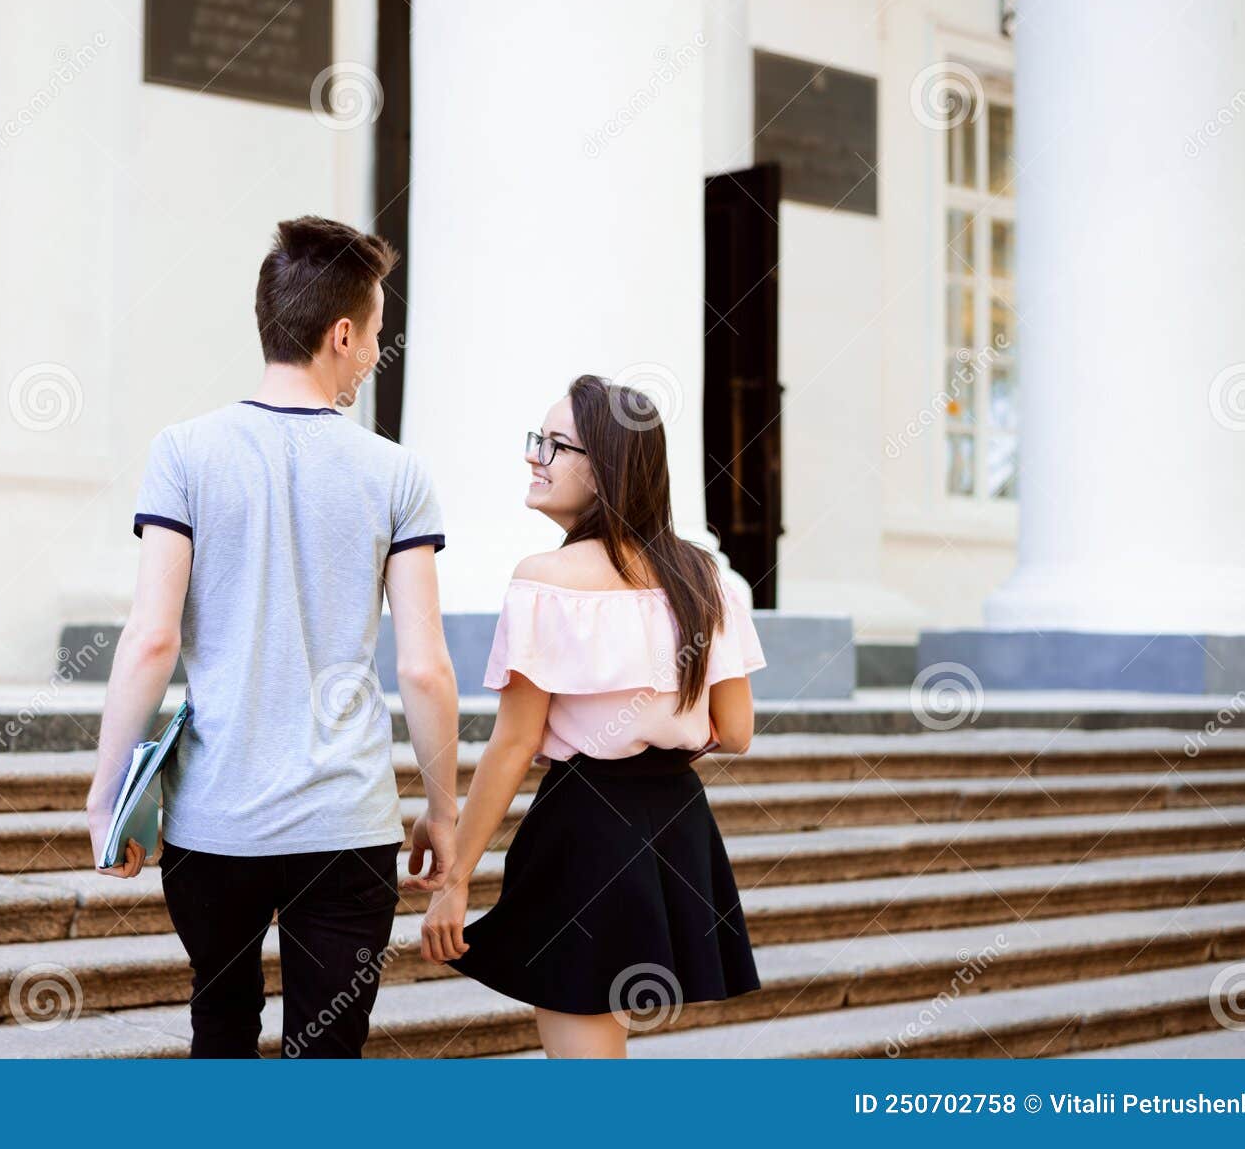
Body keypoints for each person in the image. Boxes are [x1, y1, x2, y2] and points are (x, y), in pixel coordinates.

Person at [84, 215, 461, 1059]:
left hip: (214, 822)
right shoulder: (396, 472)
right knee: (327, 1060)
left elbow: (150, 638)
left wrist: (107, 794)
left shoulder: (182, 452)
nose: (372, 354)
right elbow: (425, 668)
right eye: (372, 336)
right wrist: (444, 811)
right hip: (347, 822)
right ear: (340, 334)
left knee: (219, 1027)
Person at [420, 374, 766, 1058]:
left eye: (556, 445)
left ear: (607, 469)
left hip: (586, 829)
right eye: (538, 441)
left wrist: (455, 880)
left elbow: (512, 744)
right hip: (676, 824)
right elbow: (737, 731)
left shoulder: (546, 578)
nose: (534, 456)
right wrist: (651, 737)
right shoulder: (706, 580)